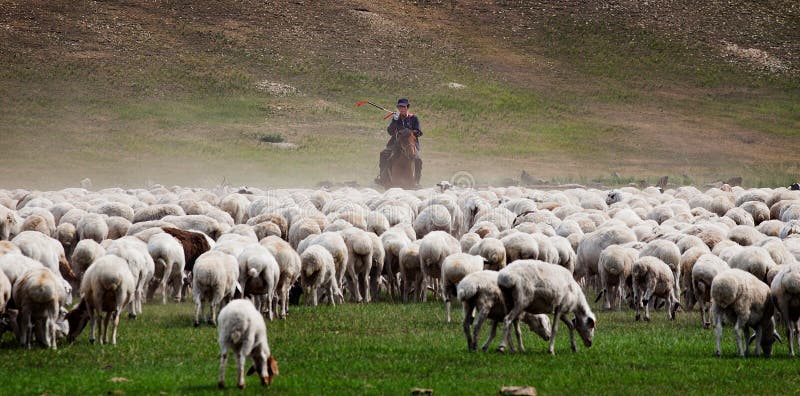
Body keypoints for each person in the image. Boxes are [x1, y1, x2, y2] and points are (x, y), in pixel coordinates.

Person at [375, 98, 423, 186]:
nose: (401, 108)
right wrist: (395, 121)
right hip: (396, 143)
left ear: (407, 107)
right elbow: (390, 131)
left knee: (418, 159)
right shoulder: (396, 118)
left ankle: (416, 181)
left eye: (403, 106)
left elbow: (419, 132)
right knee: (383, 154)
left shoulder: (414, 118)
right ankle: (383, 178)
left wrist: (409, 132)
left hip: (410, 144)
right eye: (399, 107)